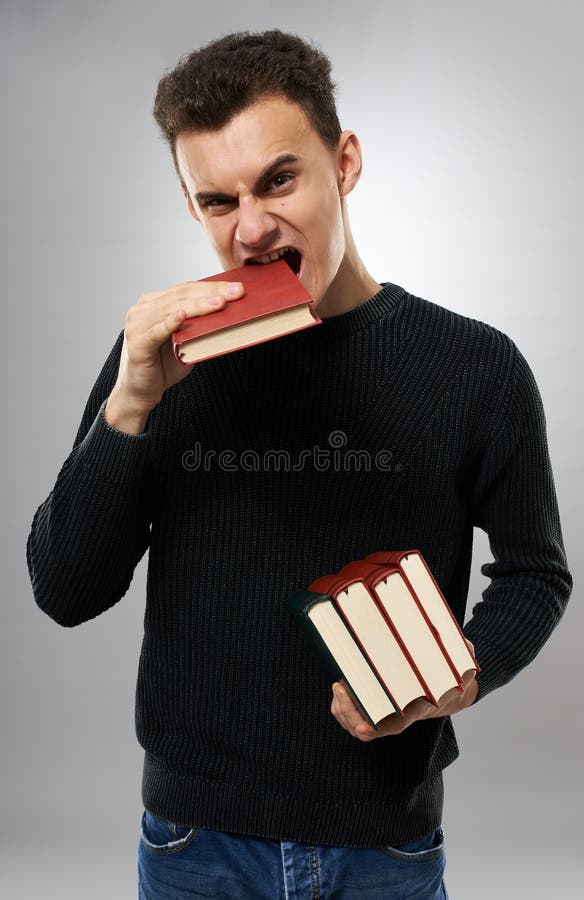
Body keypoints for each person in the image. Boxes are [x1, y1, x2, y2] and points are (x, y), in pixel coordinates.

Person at [26, 29, 572, 900]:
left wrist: (461, 674)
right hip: (193, 843)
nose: (250, 227)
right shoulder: (158, 363)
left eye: (279, 180)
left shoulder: (477, 367)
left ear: (344, 162)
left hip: (385, 843)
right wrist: (128, 408)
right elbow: (64, 590)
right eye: (215, 200)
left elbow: (536, 574)